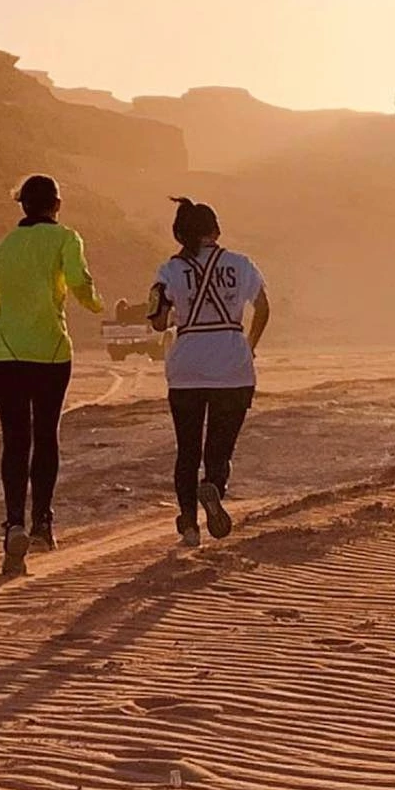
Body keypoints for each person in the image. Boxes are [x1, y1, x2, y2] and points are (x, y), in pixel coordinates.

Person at [0, 174, 103, 576]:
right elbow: (79, 281)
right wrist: (96, 305)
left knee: (15, 440)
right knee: (45, 435)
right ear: (56, 205)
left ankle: (13, 523)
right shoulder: (66, 237)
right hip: (50, 351)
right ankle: (42, 522)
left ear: (22, 205)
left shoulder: (6, 244)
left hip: (5, 356)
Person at [148, 198, 270, 548]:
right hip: (232, 365)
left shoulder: (169, 270)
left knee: (187, 450)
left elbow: (157, 322)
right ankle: (214, 485)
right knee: (220, 448)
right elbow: (263, 307)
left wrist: (175, 315)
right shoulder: (240, 264)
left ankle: (188, 525)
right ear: (215, 231)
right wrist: (249, 345)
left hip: (187, 366)